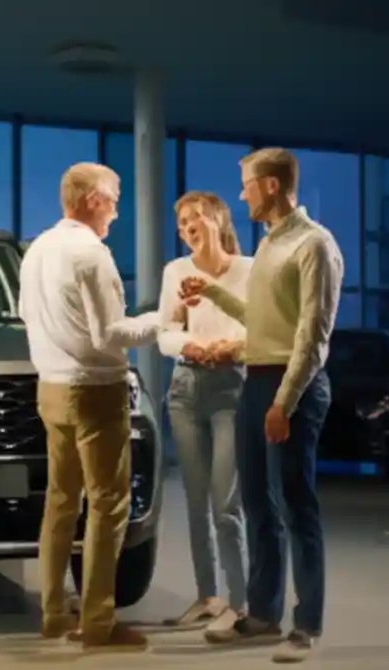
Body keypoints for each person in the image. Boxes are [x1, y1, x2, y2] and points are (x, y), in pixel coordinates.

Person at [179, 147, 343, 663]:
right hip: (256, 381)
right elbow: (262, 319)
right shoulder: (271, 243)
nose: (242, 194)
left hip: (292, 386)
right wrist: (212, 293)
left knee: (297, 508)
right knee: (258, 505)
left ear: (271, 186)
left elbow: (312, 336)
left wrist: (284, 402)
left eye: (247, 184)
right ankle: (264, 614)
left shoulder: (315, 245)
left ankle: (306, 626)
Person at [18, 161, 160, 650]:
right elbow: (109, 334)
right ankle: (98, 622)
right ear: (94, 199)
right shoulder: (91, 254)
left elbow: (26, 315)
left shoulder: (37, 250)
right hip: (95, 390)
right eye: (114, 202)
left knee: (60, 503)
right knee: (107, 505)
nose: (116, 213)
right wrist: (164, 320)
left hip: (51, 388)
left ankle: (53, 614)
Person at [157, 191, 252, 634]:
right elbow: (165, 332)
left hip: (231, 387)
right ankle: (208, 596)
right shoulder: (176, 271)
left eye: (195, 218)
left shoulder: (249, 269)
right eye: (182, 223)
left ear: (218, 219)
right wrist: (190, 345)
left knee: (225, 505)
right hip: (186, 388)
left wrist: (231, 347)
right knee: (196, 503)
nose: (188, 227)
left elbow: (259, 325)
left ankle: (241, 603)